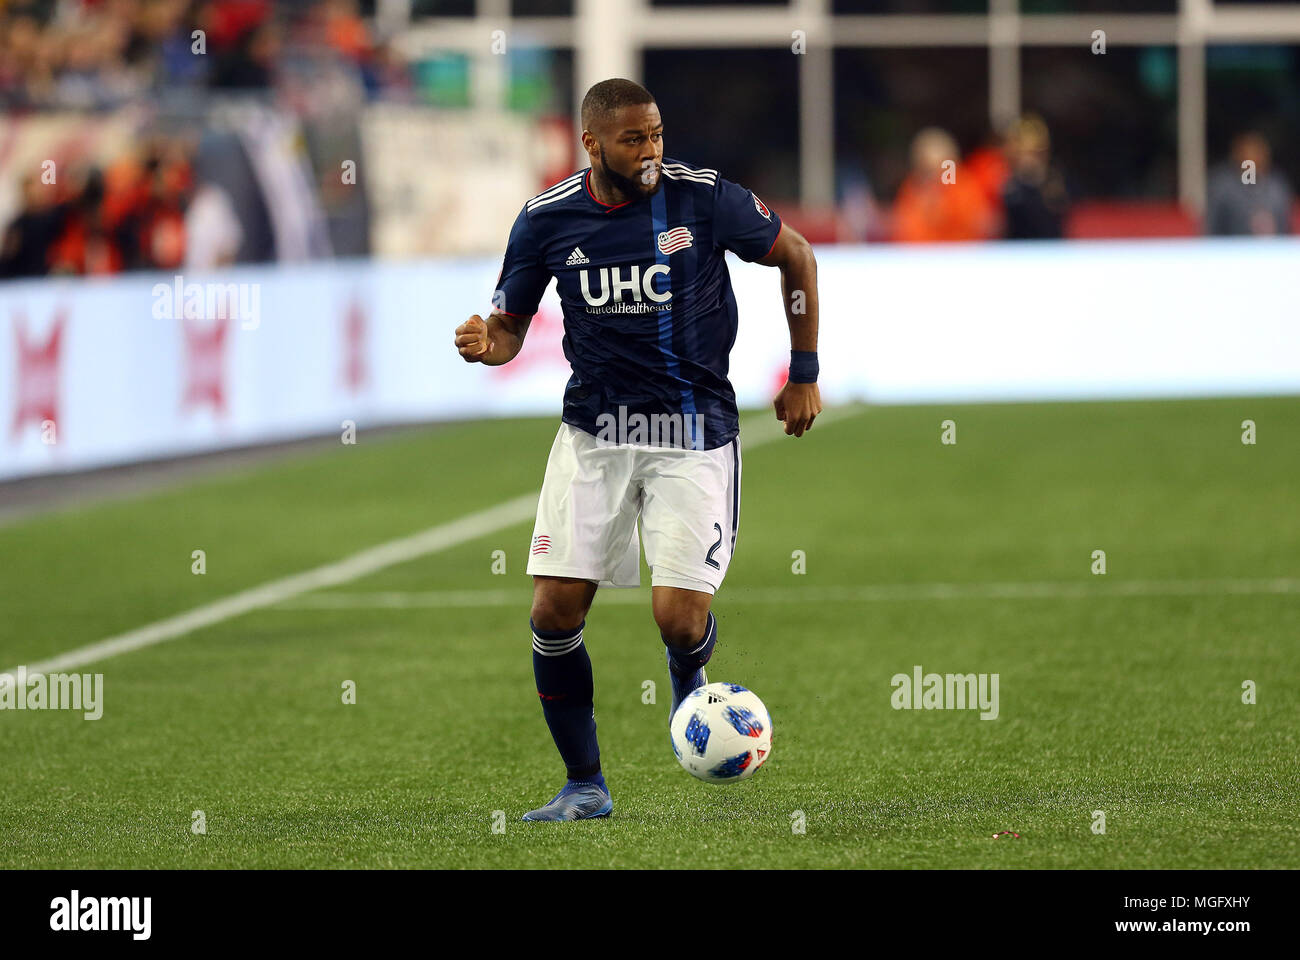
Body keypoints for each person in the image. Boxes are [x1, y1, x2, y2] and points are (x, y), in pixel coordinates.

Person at [453, 78, 822, 822]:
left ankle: (689, 673)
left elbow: (798, 257)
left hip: (692, 436)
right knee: (554, 612)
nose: (652, 151)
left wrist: (803, 372)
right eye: (634, 139)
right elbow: (511, 326)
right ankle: (585, 785)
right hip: (594, 437)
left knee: (680, 619)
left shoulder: (703, 199)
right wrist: (486, 344)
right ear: (592, 143)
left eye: (656, 135)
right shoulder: (546, 220)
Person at [1206, 131, 1293, 236]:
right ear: (1237, 156)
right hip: (1232, 249)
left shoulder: (1277, 185)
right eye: (1247, 153)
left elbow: (1285, 227)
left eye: (1257, 153)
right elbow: (1210, 228)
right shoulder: (1222, 186)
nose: (1253, 159)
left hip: (1272, 249)